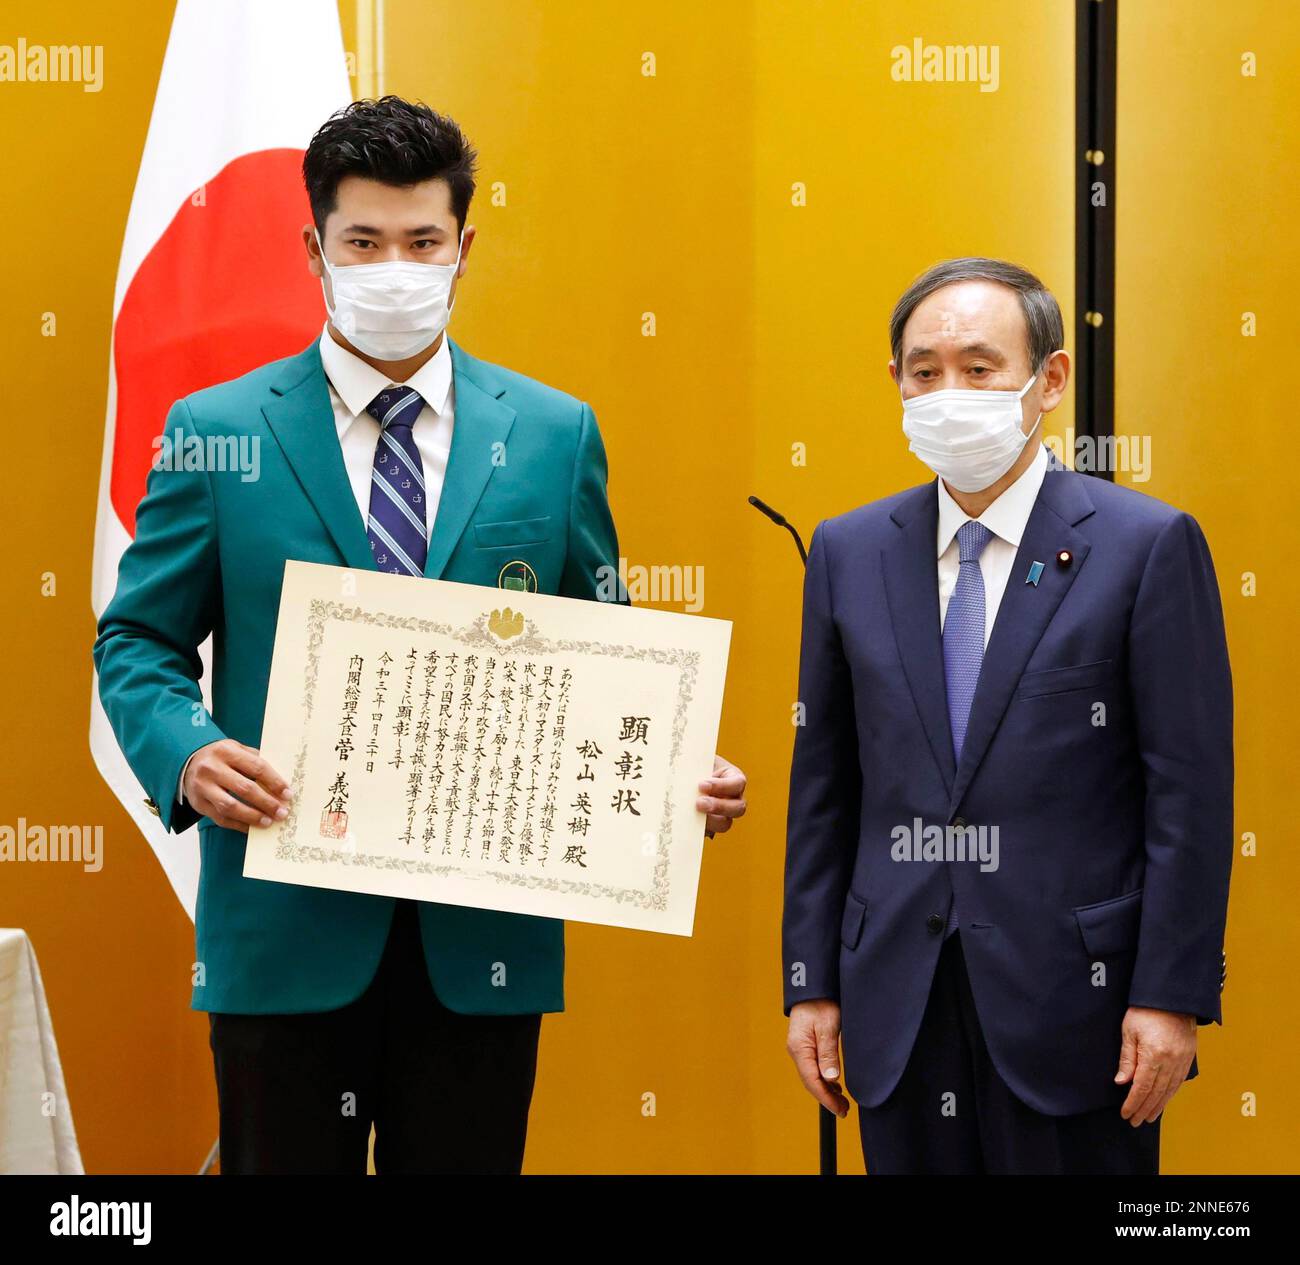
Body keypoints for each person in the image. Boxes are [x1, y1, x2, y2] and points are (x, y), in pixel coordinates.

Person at [94, 96, 747, 1175]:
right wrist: (188, 750)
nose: (393, 266)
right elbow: (136, 642)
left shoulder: (550, 432)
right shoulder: (217, 431)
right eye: (363, 242)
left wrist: (675, 760)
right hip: (283, 932)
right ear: (315, 249)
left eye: (421, 242)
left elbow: (605, 642)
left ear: (463, 247)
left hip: (480, 942)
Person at [782, 257, 1231, 1175]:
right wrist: (810, 983)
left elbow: (1189, 794)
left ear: (1049, 380)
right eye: (924, 371)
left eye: (980, 368)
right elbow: (825, 787)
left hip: (1082, 1008)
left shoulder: (1146, 546)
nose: (950, 390)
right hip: (897, 1003)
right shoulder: (849, 549)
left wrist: (1169, 994)